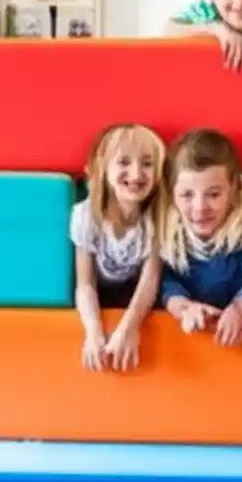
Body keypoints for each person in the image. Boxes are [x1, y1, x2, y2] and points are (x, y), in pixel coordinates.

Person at [70, 123, 167, 371]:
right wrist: (93, 332)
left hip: (136, 298)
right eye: (124, 162)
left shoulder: (159, 216)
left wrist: (129, 328)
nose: (136, 174)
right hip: (99, 296)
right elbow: (85, 283)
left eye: (147, 164)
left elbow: (150, 280)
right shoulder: (87, 215)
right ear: (104, 169)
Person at [158, 128, 242, 347]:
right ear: (172, 195)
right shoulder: (168, 234)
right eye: (187, 195)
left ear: (234, 190)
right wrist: (184, 308)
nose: (200, 208)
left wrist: (240, 309)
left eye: (214, 194)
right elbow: (165, 282)